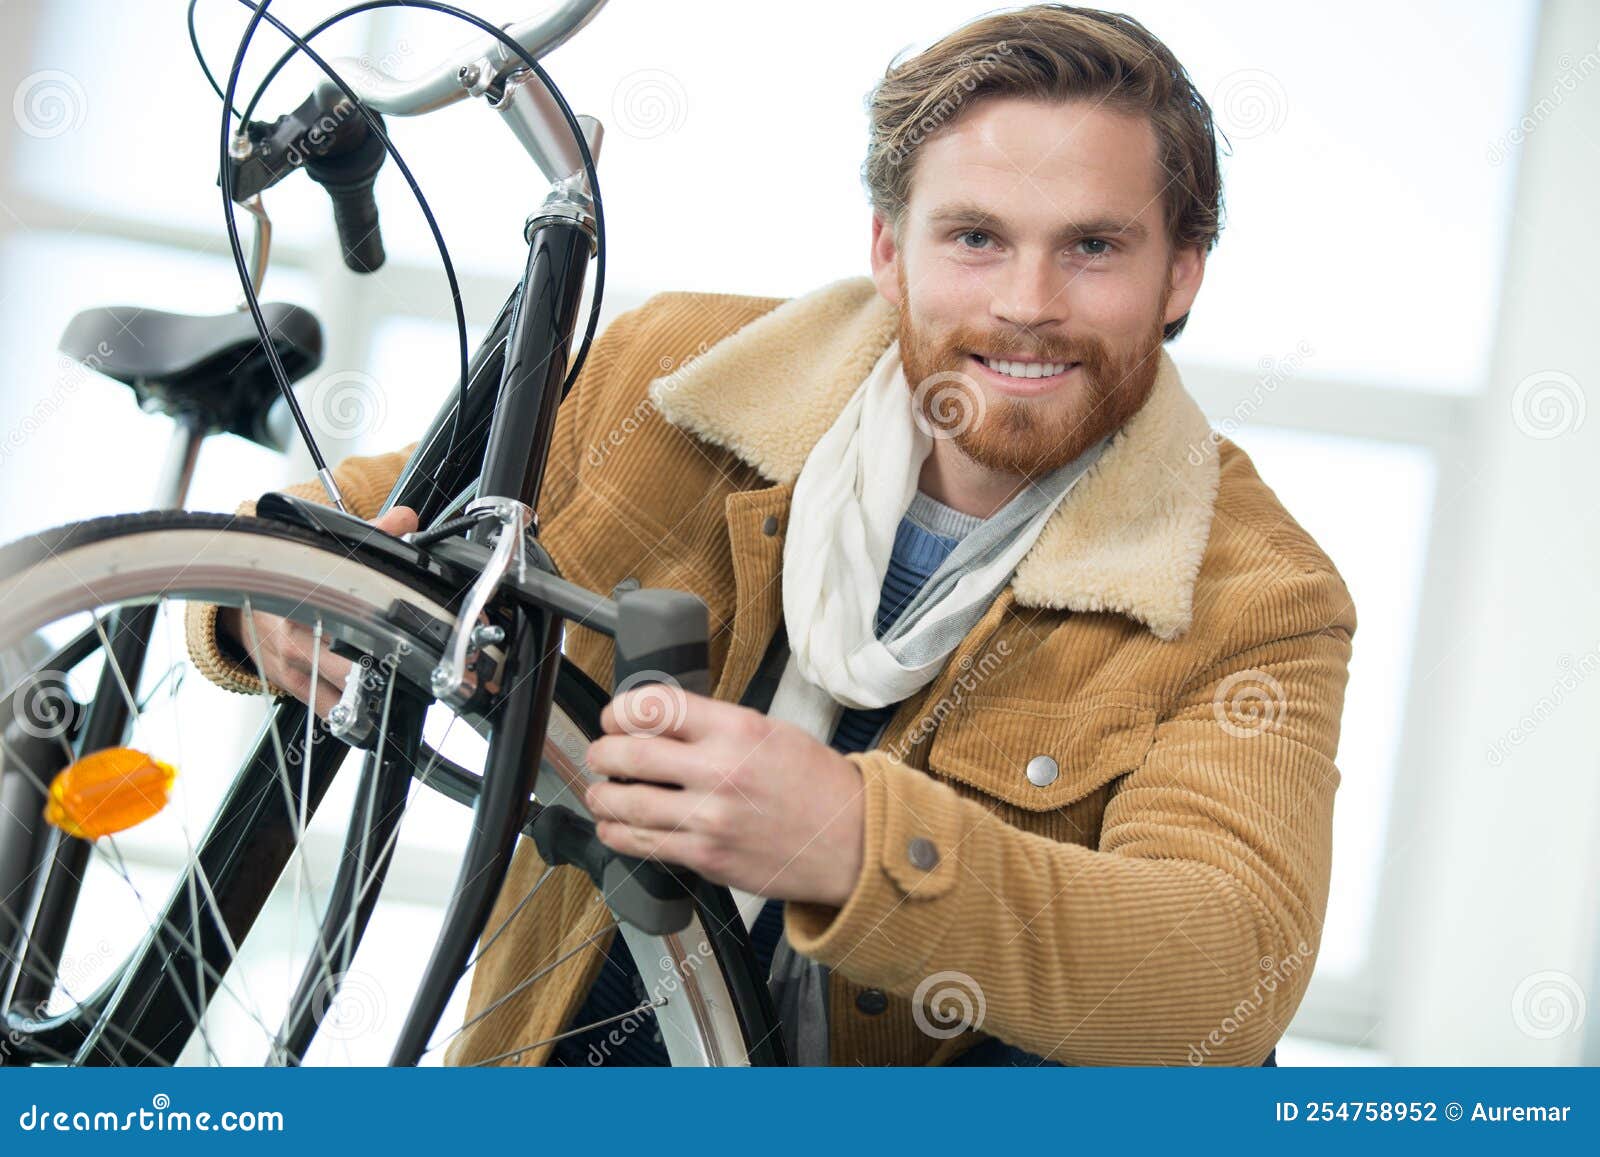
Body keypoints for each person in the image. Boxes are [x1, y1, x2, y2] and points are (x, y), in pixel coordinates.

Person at [189, 5, 1354, 1067]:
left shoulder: (1257, 597)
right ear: (890, 250)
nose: (1027, 302)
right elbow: (317, 519)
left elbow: (1225, 967)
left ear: (1179, 275)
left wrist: (855, 841)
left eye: (1093, 247)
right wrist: (259, 604)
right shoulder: (670, 374)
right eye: (975, 239)